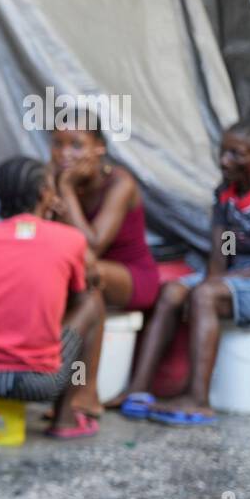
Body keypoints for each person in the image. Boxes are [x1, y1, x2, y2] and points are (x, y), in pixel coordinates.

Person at [113, 120, 250, 425]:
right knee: (173, 291)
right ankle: (137, 390)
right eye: (222, 152)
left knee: (205, 294)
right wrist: (217, 278)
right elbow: (222, 254)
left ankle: (198, 399)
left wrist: (218, 283)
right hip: (240, 275)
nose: (224, 161)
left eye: (236, 154)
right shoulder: (226, 196)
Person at [0, 157, 106, 439]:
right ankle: (65, 417)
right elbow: (79, 295)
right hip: (36, 384)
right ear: (44, 194)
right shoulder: (70, 239)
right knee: (92, 303)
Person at [47, 115, 159, 419]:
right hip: (87, 275)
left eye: (76, 145)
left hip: (133, 277)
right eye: (58, 144)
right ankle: (81, 394)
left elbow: (92, 244)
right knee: (87, 291)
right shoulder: (51, 178)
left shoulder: (119, 183)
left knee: (88, 274)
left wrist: (65, 190)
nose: (65, 153)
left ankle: (84, 392)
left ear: (98, 148)